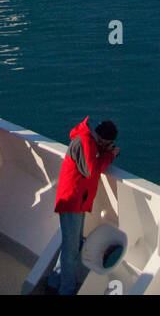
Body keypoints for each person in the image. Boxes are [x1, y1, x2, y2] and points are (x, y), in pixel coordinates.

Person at [51, 117, 120, 295]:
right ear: (104, 139)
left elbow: (91, 163)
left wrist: (104, 153)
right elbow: (92, 170)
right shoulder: (85, 143)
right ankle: (66, 290)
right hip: (73, 201)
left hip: (77, 201)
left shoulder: (87, 141)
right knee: (71, 250)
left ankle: (54, 283)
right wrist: (109, 155)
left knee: (71, 245)